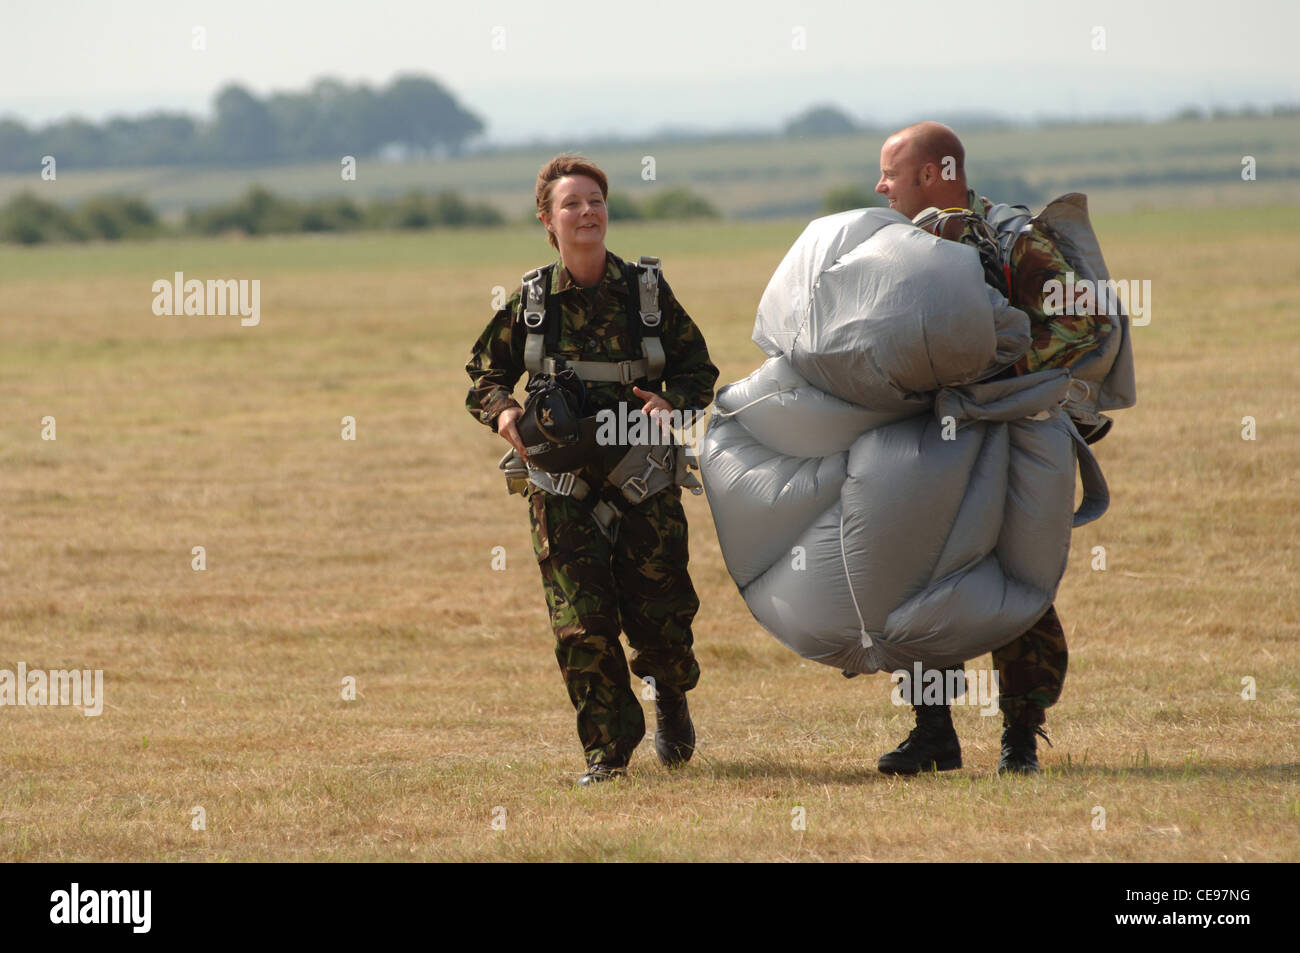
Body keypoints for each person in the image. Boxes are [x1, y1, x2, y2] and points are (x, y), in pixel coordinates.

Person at [464, 155, 719, 786]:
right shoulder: (529, 303)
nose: (587, 213)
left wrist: (672, 401)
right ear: (549, 222)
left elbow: (698, 372)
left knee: (661, 619)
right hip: (562, 491)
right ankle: (606, 754)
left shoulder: (647, 296)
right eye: (571, 204)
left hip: (645, 483)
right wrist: (504, 412)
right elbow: (483, 377)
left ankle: (671, 697)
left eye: (596, 201)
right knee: (582, 626)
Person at [872, 121, 1113, 775]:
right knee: (922, 577)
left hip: (1014, 433)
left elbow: (1079, 321)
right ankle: (934, 732)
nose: (879, 184)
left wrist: (995, 370)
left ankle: (1019, 735)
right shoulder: (896, 242)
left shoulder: (1009, 236)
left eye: (890, 172)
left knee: (1016, 577)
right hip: (935, 434)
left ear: (930, 175)